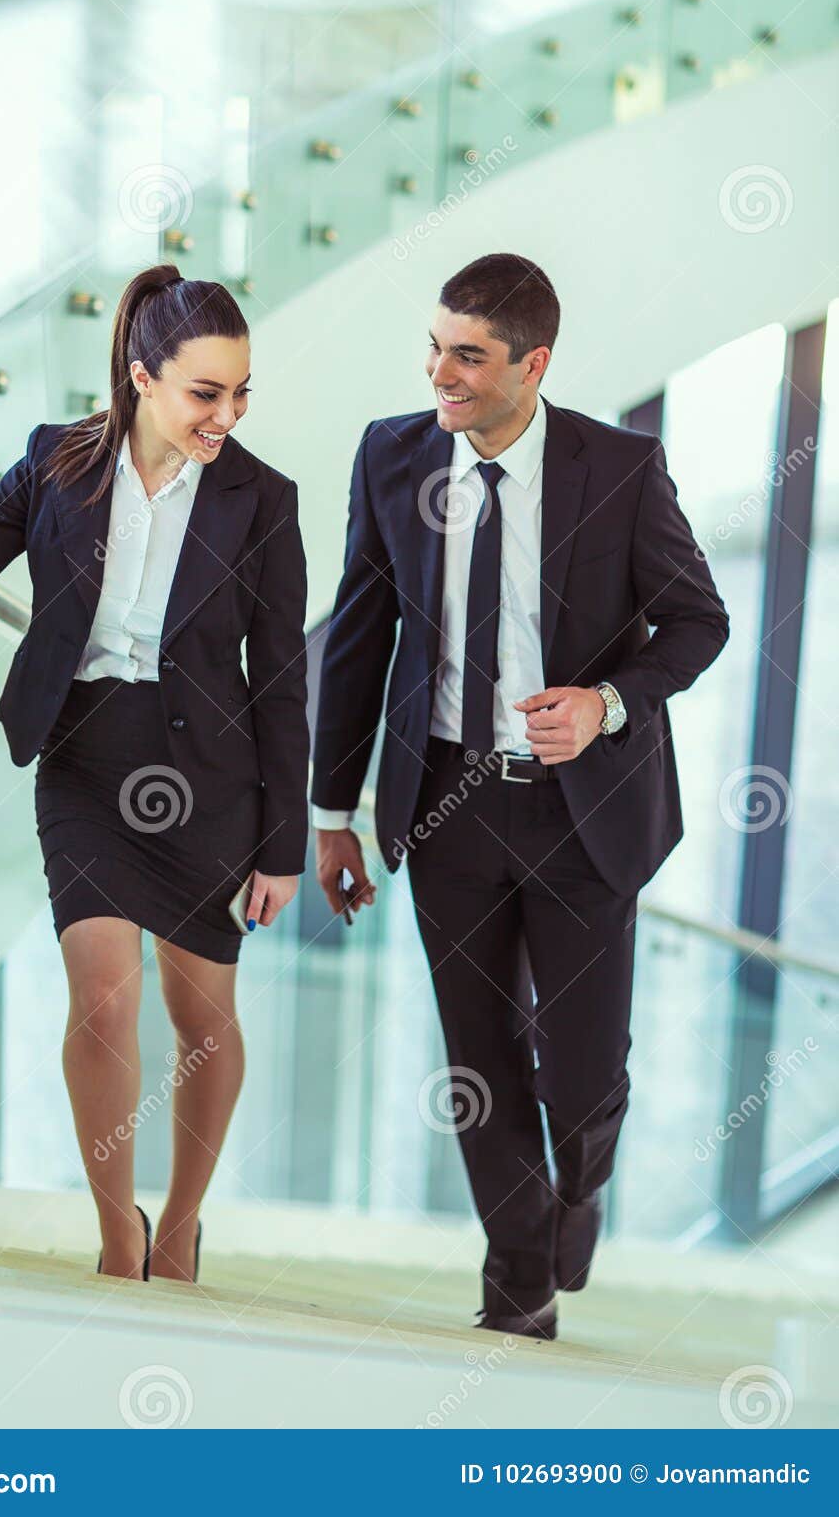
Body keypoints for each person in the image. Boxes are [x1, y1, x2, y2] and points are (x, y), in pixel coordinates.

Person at [0, 264, 310, 1287]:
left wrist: (281, 848)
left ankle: (179, 1224)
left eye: (240, 391)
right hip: (86, 755)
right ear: (142, 376)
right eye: (206, 392)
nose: (228, 414)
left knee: (202, 1016)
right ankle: (115, 1228)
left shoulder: (262, 499)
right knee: (99, 1001)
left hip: (211, 775)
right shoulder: (56, 463)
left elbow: (280, 684)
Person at [311, 252, 729, 1341]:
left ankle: (574, 1188)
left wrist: (606, 701)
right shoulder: (392, 456)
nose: (436, 372)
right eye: (434, 346)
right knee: (477, 1062)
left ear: (530, 365)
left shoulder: (620, 469)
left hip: (579, 807)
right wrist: (331, 812)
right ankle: (519, 1288)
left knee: (582, 1073)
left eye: (466, 356)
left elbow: (697, 622)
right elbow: (357, 636)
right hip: (443, 798)